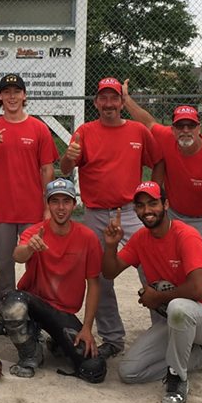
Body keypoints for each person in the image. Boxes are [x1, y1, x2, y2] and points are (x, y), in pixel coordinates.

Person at [122, 89, 202, 360]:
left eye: (190, 125)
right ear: (173, 129)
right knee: (157, 267)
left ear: (199, 128)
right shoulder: (167, 138)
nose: (185, 130)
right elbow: (147, 121)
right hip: (175, 214)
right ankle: (166, 325)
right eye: (180, 126)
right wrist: (127, 99)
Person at [59, 77, 164, 360]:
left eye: (114, 98)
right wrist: (68, 158)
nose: (108, 104)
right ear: (96, 103)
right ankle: (113, 337)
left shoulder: (138, 131)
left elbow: (158, 162)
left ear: (121, 102)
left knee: (152, 272)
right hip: (96, 214)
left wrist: (152, 198)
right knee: (100, 277)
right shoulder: (85, 132)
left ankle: (164, 330)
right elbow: (65, 167)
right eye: (103, 98)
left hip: (131, 211)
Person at [102, 182, 202, 403]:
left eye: (153, 203)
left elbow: (199, 290)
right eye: (140, 206)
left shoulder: (186, 235)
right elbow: (110, 272)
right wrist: (110, 245)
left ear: (166, 204)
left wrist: (157, 298)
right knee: (129, 371)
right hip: (178, 321)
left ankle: (177, 379)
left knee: (177, 306)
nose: (146, 210)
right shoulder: (141, 238)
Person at [0, 73, 56, 335]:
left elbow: (46, 169)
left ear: (24, 95)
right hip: (3, 210)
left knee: (36, 265)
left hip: (32, 209)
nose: (11, 96)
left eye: (16, 91)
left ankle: (36, 317)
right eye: (6, 91)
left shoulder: (38, 128)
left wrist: (46, 206)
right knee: (5, 266)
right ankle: (5, 317)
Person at [2, 178, 101, 378]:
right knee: (13, 302)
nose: (61, 207)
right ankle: (30, 354)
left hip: (62, 312)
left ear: (75, 204)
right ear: (47, 204)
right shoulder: (36, 232)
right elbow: (17, 255)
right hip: (35, 305)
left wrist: (87, 328)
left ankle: (56, 341)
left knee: (93, 370)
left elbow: (94, 284)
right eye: (55, 201)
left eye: (66, 201)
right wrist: (30, 247)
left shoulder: (88, 237)